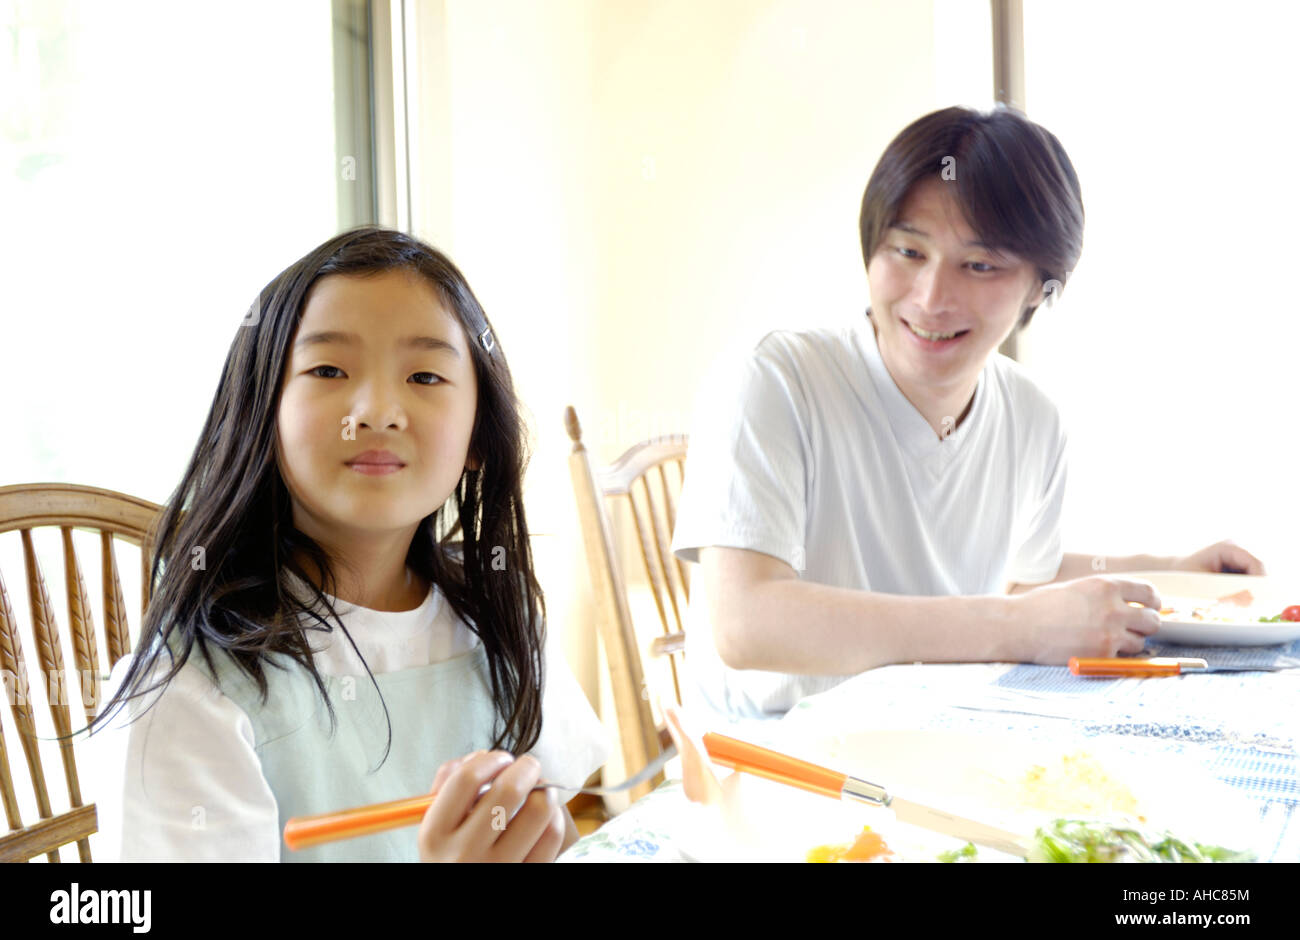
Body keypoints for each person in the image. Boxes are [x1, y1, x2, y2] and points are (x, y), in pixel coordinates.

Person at [671, 105, 1264, 721]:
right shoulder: (776, 378)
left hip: (934, 747)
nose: (930, 298)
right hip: (766, 764)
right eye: (907, 251)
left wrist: (1170, 570)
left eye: (979, 265)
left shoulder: (1033, 417)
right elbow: (747, 623)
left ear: (1041, 287)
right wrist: (1013, 626)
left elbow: (1021, 579)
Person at [87, 227, 607, 861]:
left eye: (425, 375)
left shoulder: (499, 614)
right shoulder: (183, 694)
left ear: (478, 438)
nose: (377, 410)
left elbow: (563, 835)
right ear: (261, 417)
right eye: (328, 369)